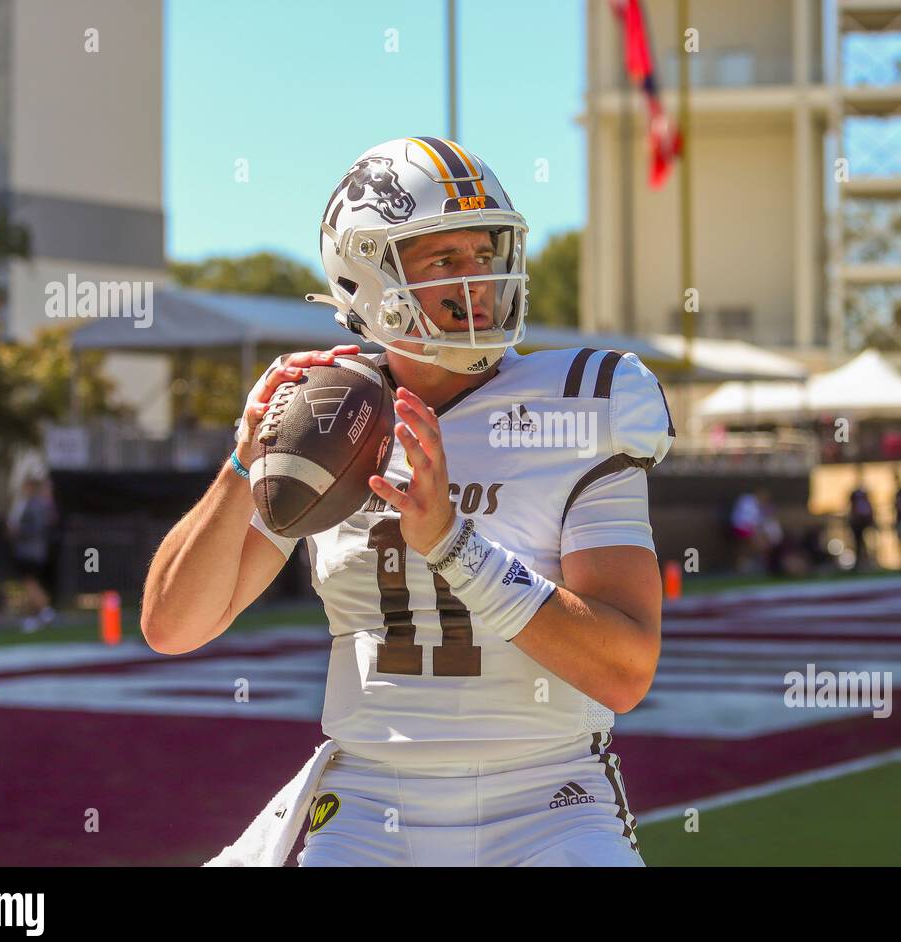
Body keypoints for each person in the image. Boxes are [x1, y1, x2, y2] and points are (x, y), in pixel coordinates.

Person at [142, 138, 672, 868]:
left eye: (485, 252)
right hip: (369, 803)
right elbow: (173, 626)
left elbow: (625, 668)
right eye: (443, 260)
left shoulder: (578, 405)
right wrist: (244, 462)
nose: (478, 279)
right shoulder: (330, 416)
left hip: (547, 798)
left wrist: (455, 545)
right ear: (367, 276)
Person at [8, 475, 57, 632]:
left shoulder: (35, 505)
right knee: (30, 584)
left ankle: (47, 612)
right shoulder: (31, 504)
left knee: (30, 583)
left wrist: (18, 531)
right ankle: (34, 617)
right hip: (32, 550)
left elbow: (35, 528)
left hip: (31, 551)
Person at [847, 469, 875, 572]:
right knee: (857, 543)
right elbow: (851, 506)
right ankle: (858, 563)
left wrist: (870, 519)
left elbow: (869, 506)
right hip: (857, 522)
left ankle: (867, 562)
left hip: (864, 521)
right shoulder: (854, 494)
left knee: (866, 543)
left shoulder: (865, 493)